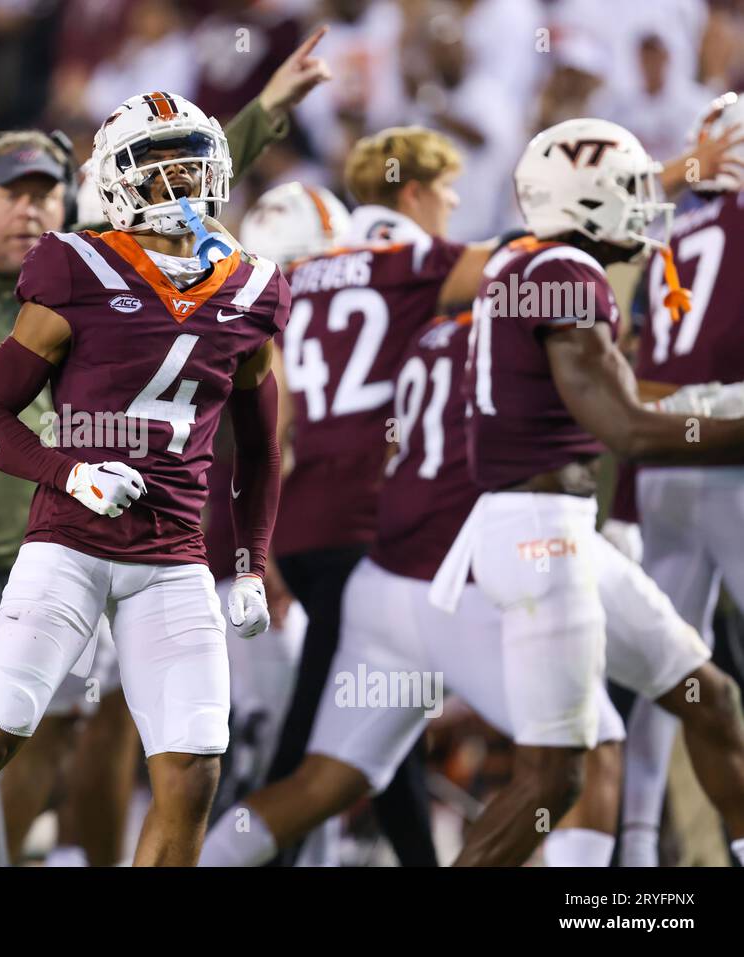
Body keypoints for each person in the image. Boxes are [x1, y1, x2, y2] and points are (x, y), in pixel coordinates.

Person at [0, 29, 333, 866]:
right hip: (70, 542)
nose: (182, 182)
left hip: (173, 557)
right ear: (121, 181)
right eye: (160, 166)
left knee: (192, 773)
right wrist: (71, 472)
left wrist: (249, 560)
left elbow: (259, 446)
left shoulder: (252, 287)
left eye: (190, 162)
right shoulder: (75, 265)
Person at [200, 305, 628, 868]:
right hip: (453, 585)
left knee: (318, 783)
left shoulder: (423, 335)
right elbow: (612, 415)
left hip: (380, 585)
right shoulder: (514, 339)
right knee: (590, 746)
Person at [431, 117, 744, 867]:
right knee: (553, 778)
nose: (647, 206)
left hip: (557, 533)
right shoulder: (562, 276)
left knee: (713, 700)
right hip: (541, 541)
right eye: (632, 191)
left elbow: (622, 413)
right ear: (589, 203)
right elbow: (627, 429)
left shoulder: (525, 261)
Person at [261, 127, 496, 866]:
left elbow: (278, 420)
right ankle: (223, 852)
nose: (454, 205)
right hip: (364, 528)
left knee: (374, 728)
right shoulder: (405, 263)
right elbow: (522, 262)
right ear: (414, 194)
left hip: (302, 525)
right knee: (309, 751)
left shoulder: (296, 279)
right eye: (447, 192)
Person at [618, 91, 744, 866]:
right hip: (730, 454)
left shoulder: (667, 220)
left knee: (665, 666)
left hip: (661, 458)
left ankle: (631, 847)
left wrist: (671, 173)